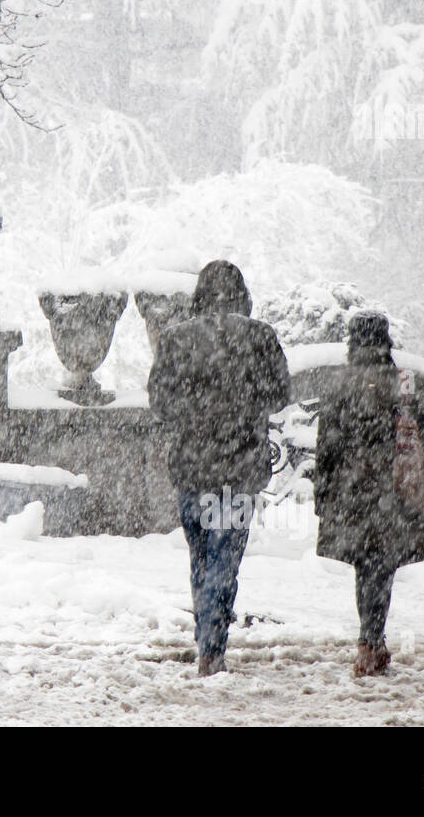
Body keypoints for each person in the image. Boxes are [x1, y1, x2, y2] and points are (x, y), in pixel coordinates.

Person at [148, 260, 291, 676]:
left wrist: (196, 409)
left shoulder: (177, 339)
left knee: (200, 561)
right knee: (224, 560)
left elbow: (160, 403)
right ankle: (212, 648)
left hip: (193, 468)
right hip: (240, 468)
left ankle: (206, 641)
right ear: (242, 295)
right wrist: (243, 400)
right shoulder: (260, 337)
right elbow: (280, 394)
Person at [313, 311, 424, 676]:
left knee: (364, 567)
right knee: (383, 569)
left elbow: (326, 445)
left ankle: (369, 642)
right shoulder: (404, 381)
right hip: (393, 492)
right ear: (385, 340)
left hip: (351, 494)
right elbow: (419, 428)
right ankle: (373, 639)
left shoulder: (339, 382)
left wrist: (323, 492)